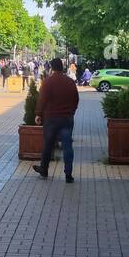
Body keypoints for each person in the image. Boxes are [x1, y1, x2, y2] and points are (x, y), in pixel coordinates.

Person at [32, 57, 79, 185]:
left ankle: (44, 170)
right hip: (67, 119)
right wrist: (71, 111)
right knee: (67, 145)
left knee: (48, 144)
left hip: (51, 119)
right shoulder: (70, 82)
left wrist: (38, 114)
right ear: (62, 67)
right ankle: (68, 174)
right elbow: (76, 99)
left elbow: (42, 99)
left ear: (52, 68)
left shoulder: (48, 82)